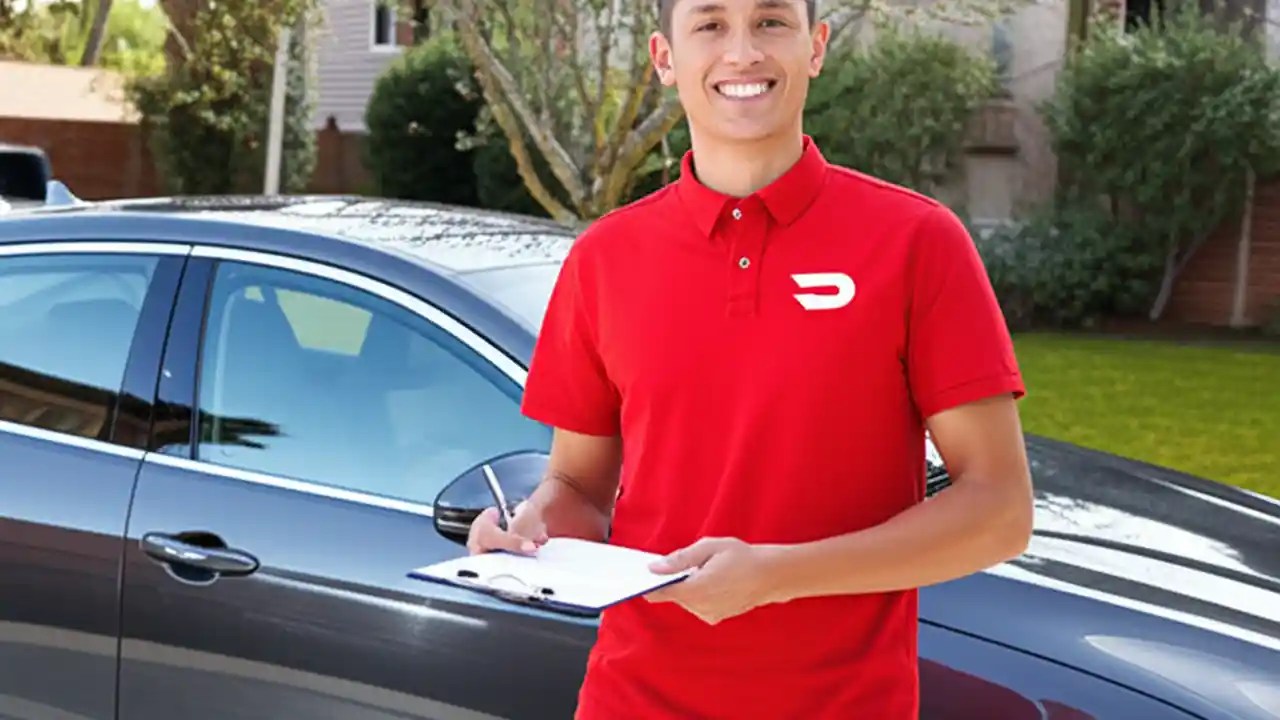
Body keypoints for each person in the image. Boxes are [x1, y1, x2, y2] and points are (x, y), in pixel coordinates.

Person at [466, 0, 1034, 716]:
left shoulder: (917, 243)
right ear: (664, 58)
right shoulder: (604, 260)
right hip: (633, 697)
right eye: (709, 24)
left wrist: (779, 576)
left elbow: (999, 510)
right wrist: (530, 531)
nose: (742, 53)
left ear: (816, 47)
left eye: (770, 22)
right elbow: (579, 488)